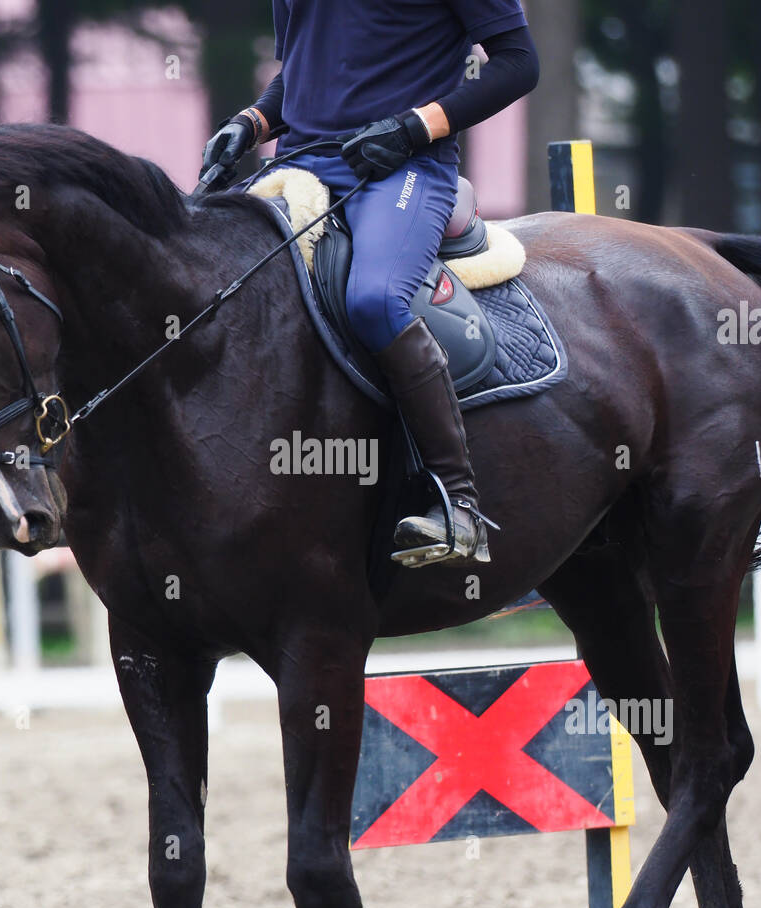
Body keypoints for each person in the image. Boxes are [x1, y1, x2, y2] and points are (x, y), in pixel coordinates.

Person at [201, 1, 539, 566]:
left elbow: (518, 63)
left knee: (375, 301)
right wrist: (252, 122)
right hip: (299, 167)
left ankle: (458, 506)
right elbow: (310, 72)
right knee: (213, 291)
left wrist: (416, 128)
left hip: (404, 170)